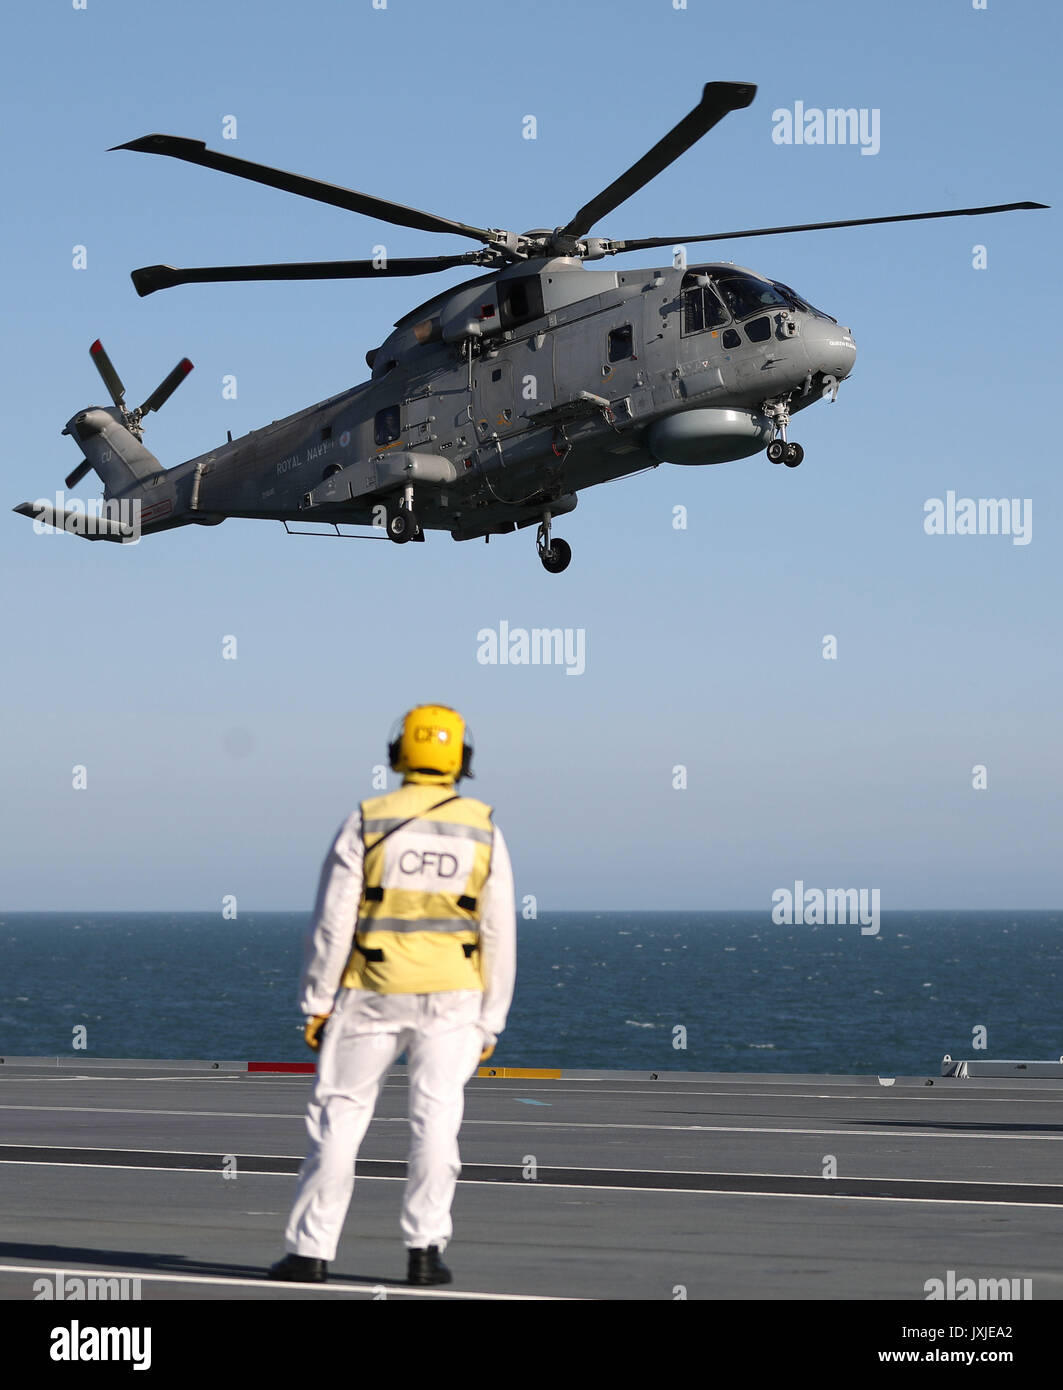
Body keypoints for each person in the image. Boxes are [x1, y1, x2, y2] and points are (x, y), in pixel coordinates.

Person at [266, 704, 516, 1287]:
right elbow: (499, 931)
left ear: (398, 753)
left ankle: (310, 1253)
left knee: (339, 1120)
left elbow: (332, 924)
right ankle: (424, 1254)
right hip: (453, 999)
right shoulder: (483, 828)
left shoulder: (367, 819)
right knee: (436, 1122)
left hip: (371, 992)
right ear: (462, 758)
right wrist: (491, 1021)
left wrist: (317, 1002)